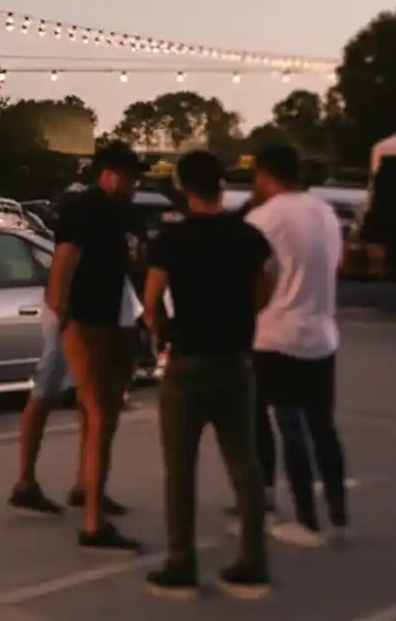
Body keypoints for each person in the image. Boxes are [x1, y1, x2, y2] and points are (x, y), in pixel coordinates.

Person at [142, 150, 276, 599]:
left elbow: (152, 299)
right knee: (244, 463)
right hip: (235, 360)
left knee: (180, 468)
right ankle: (253, 558)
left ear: (182, 186)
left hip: (187, 360)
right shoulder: (248, 236)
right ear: (221, 183)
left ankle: (182, 561)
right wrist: (242, 321)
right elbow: (264, 290)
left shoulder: (172, 239)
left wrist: (161, 334)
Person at [246, 143, 349, 547]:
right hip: (321, 334)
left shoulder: (263, 217)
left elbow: (252, 273)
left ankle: (303, 516)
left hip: (275, 333)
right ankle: (338, 514)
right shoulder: (324, 212)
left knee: (284, 425)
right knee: (322, 426)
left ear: (265, 175)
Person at [45, 141, 145, 553]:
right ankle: (92, 525)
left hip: (111, 319)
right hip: (89, 322)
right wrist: (66, 317)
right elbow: (63, 264)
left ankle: (87, 489)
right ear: (108, 174)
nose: (134, 183)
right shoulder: (87, 209)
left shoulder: (116, 212)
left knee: (99, 410)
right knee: (100, 411)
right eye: (129, 176)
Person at [8, 276, 141, 518]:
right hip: (78, 319)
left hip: (73, 315)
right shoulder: (102, 249)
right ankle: (39, 484)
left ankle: (84, 485)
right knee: (72, 398)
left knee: (79, 399)